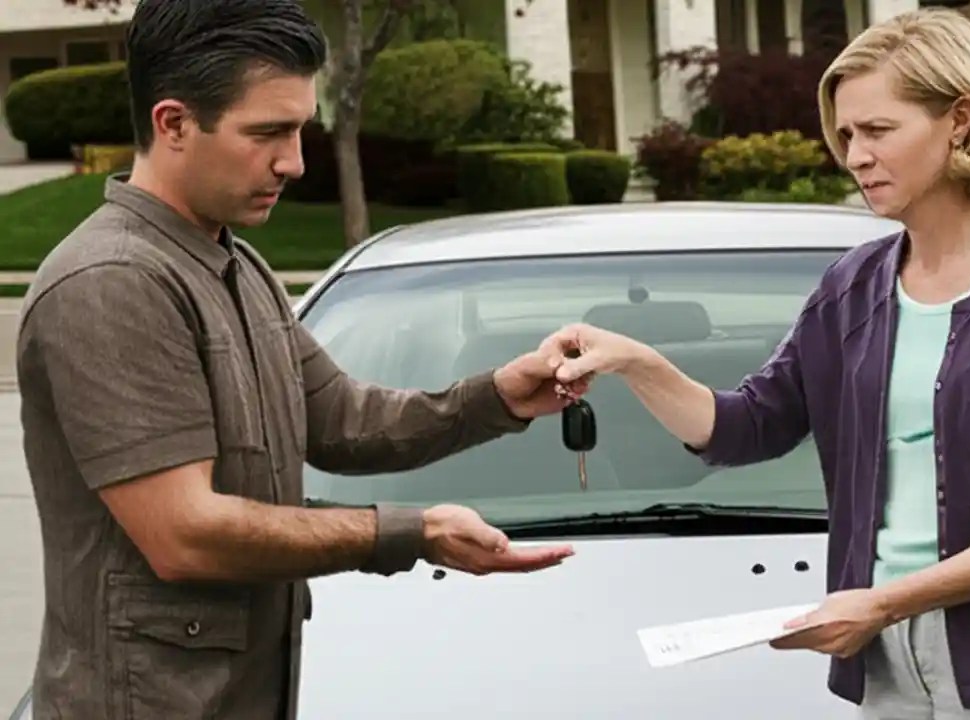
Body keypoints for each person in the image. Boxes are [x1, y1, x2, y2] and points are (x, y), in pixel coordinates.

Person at [540, 7, 970, 719]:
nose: (855, 155)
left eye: (878, 130)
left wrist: (883, 601)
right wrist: (637, 363)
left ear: (961, 121)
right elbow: (745, 427)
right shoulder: (853, 287)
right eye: (846, 134)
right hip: (885, 668)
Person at [15, 1, 581, 718]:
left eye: (300, 129)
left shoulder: (235, 265)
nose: (294, 160)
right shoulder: (112, 282)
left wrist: (498, 396)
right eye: (268, 133)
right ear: (173, 124)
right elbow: (184, 536)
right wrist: (413, 531)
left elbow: (341, 418)